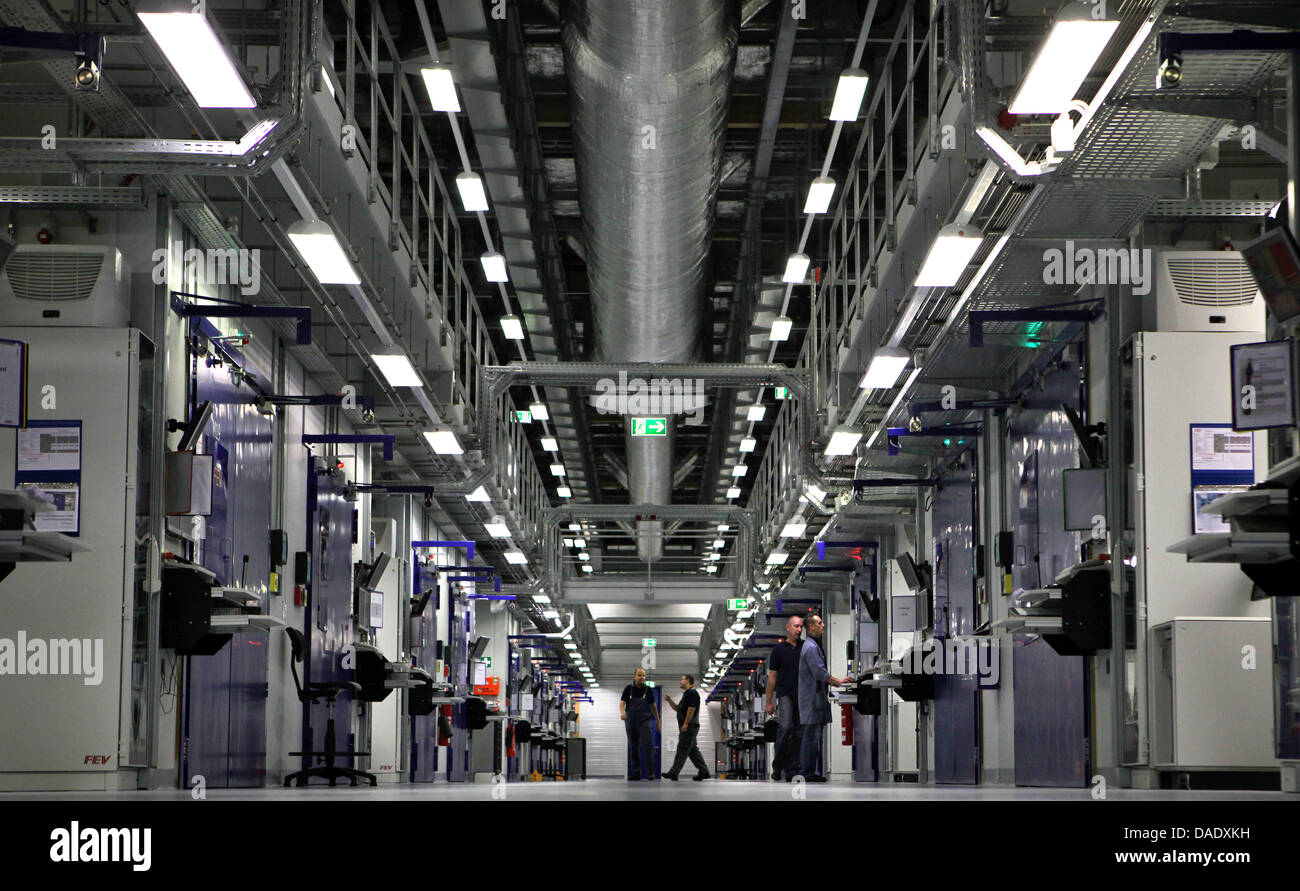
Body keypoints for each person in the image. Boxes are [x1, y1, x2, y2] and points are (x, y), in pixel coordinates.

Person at [796, 612, 851, 782]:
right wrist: (838, 682)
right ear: (811, 627)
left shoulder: (813, 646)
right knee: (811, 737)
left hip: (814, 698)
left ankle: (809, 771)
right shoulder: (811, 648)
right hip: (812, 700)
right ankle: (807, 772)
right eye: (819, 623)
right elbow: (819, 672)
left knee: (812, 736)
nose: (823, 625)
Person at [764, 614, 804, 780]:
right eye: (796, 626)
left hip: (802, 695)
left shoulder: (806, 647)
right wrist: (768, 702)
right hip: (785, 694)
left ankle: (792, 769)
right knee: (785, 727)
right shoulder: (778, 651)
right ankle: (778, 766)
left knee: (798, 733)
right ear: (788, 628)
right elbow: (772, 677)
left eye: (801, 626)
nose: (799, 630)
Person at [663, 674, 711, 781]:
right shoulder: (686, 694)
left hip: (689, 726)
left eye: (682, 679)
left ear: (688, 680)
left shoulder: (692, 693)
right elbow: (678, 709)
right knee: (693, 751)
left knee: (682, 749)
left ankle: (673, 772)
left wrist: (685, 723)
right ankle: (704, 772)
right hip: (689, 726)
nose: (680, 681)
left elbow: (691, 709)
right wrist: (670, 701)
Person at [619, 668, 661, 780]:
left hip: (645, 721)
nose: (642, 677)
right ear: (634, 677)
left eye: (643, 675)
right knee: (633, 747)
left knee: (648, 745)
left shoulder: (648, 690)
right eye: (639, 675)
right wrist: (622, 713)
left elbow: (653, 706)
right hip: (631, 721)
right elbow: (622, 703)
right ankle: (636, 773)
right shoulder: (628, 689)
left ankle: (651, 773)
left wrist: (658, 720)